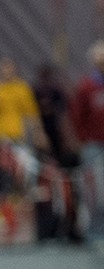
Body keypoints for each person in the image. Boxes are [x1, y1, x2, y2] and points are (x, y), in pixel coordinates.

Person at [0, 58, 47, 239]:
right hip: (1, 141)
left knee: (20, 180)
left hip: (18, 141)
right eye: (3, 69)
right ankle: (3, 218)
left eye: (9, 68)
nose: (6, 72)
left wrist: (38, 133)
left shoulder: (21, 88)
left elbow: (32, 113)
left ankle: (12, 217)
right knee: (4, 180)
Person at [69, 40, 104, 252]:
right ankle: (94, 234)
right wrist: (83, 138)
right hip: (93, 145)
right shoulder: (86, 86)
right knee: (93, 192)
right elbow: (76, 116)